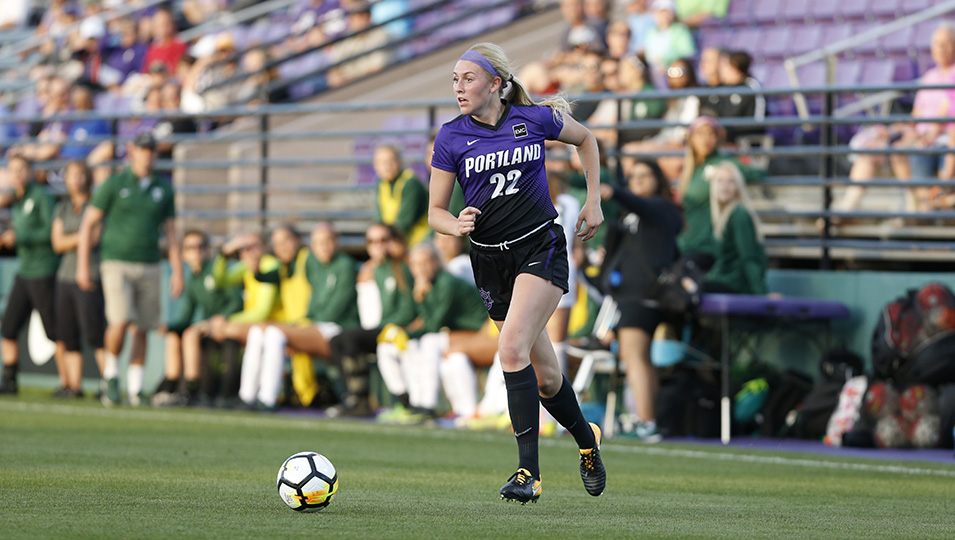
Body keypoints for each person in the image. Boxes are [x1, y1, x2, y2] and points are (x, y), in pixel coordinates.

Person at [428, 42, 606, 503]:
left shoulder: (534, 119)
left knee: (510, 350)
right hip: (488, 260)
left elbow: (587, 140)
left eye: (468, 78)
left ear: (496, 83)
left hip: (538, 246)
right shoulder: (450, 136)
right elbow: (434, 212)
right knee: (545, 377)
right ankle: (587, 441)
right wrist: (454, 224)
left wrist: (593, 201)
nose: (458, 87)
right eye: (454, 79)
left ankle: (529, 473)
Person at [77, 132, 183, 406]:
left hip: (150, 263)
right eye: (142, 149)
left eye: (151, 150)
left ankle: (135, 388)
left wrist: (177, 270)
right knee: (120, 321)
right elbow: (88, 223)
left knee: (143, 327)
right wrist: (82, 265)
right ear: (132, 151)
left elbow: (171, 233)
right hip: (117, 261)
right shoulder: (115, 183)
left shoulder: (163, 188)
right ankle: (111, 375)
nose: (147, 155)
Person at [599, 159, 682, 442]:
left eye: (645, 175)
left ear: (658, 179)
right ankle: (646, 418)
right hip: (629, 295)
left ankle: (647, 422)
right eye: (633, 176)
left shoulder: (662, 208)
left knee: (635, 357)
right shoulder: (631, 214)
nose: (638, 180)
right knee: (638, 358)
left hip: (644, 295)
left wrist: (615, 191)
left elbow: (639, 204)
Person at [239, 223, 360, 410]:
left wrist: (299, 326)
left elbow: (335, 310)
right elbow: (278, 273)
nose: (323, 247)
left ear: (336, 241)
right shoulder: (312, 263)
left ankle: (268, 399)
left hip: (336, 328)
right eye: (317, 243)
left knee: (274, 333)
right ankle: (247, 397)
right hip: (314, 326)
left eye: (327, 241)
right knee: (258, 331)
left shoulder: (342, 265)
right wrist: (256, 269)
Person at [327, 224, 416, 417]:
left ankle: (361, 401)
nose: (377, 245)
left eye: (383, 240)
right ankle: (352, 398)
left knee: (350, 338)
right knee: (337, 340)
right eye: (372, 241)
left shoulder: (402, 265)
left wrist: (401, 254)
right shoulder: (376, 269)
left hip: (398, 327)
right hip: (382, 327)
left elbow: (408, 310)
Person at [153, 230, 242, 407]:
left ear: (207, 249)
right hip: (208, 325)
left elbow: (236, 302)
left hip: (227, 324)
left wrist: (220, 318)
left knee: (190, 334)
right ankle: (170, 384)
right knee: (173, 336)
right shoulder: (193, 280)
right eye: (191, 247)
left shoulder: (217, 269)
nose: (196, 251)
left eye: (201, 246)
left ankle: (190, 388)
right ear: (184, 253)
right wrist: (169, 327)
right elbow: (186, 315)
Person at [0, 157, 60, 395]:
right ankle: (9, 380)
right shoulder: (18, 198)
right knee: (9, 326)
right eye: (13, 170)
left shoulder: (41, 196)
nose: (17, 174)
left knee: (53, 329)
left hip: (43, 270)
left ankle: (70, 381)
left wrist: (20, 237)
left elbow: (51, 232)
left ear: (31, 171)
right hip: (24, 270)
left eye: (21, 169)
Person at [677, 116, 766, 269]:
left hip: (708, 246)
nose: (706, 139)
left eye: (711, 134)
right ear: (691, 138)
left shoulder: (722, 162)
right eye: (700, 134)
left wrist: (725, 173)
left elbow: (758, 173)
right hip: (686, 243)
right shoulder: (691, 168)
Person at [207, 232, 282, 407]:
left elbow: (262, 312)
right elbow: (219, 280)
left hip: (276, 324)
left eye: (253, 246)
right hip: (256, 326)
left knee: (232, 330)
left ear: (264, 248)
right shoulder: (246, 267)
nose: (248, 251)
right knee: (219, 332)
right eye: (244, 248)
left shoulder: (270, 264)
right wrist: (224, 254)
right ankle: (223, 393)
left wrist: (228, 320)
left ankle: (233, 393)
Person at [51, 161, 105, 399]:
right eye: (72, 175)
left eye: (81, 175)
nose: (76, 180)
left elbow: (93, 238)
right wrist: (81, 236)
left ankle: (108, 382)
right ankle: (74, 385)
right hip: (65, 276)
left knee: (94, 332)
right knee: (68, 333)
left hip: (89, 275)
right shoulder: (63, 207)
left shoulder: (96, 205)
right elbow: (57, 243)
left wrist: (73, 239)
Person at [703, 162, 767, 295]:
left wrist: (762, 294)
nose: (725, 187)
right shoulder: (721, 215)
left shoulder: (739, 214)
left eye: (731, 181)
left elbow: (748, 258)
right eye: (720, 181)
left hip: (735, 285)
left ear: (738, 186)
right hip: (724, 280)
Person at [373, 144, 431, 247]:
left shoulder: (410, 183)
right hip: (393, 240)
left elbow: (404, 223)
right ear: (375, 166)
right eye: (382, 162)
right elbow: (379, 217)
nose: (387, 166)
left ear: (399, 162)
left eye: (391, 161)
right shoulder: (381, 184)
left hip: (419, 242)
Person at [644, 0, 696, 77]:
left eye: (666, 12)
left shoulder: (681, 30)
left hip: (675, 69)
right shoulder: (651, 32)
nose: (663, 16)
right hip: (655, 70)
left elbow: (688, 52)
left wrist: (666, 60)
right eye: (660, 12)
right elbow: (648, 53)